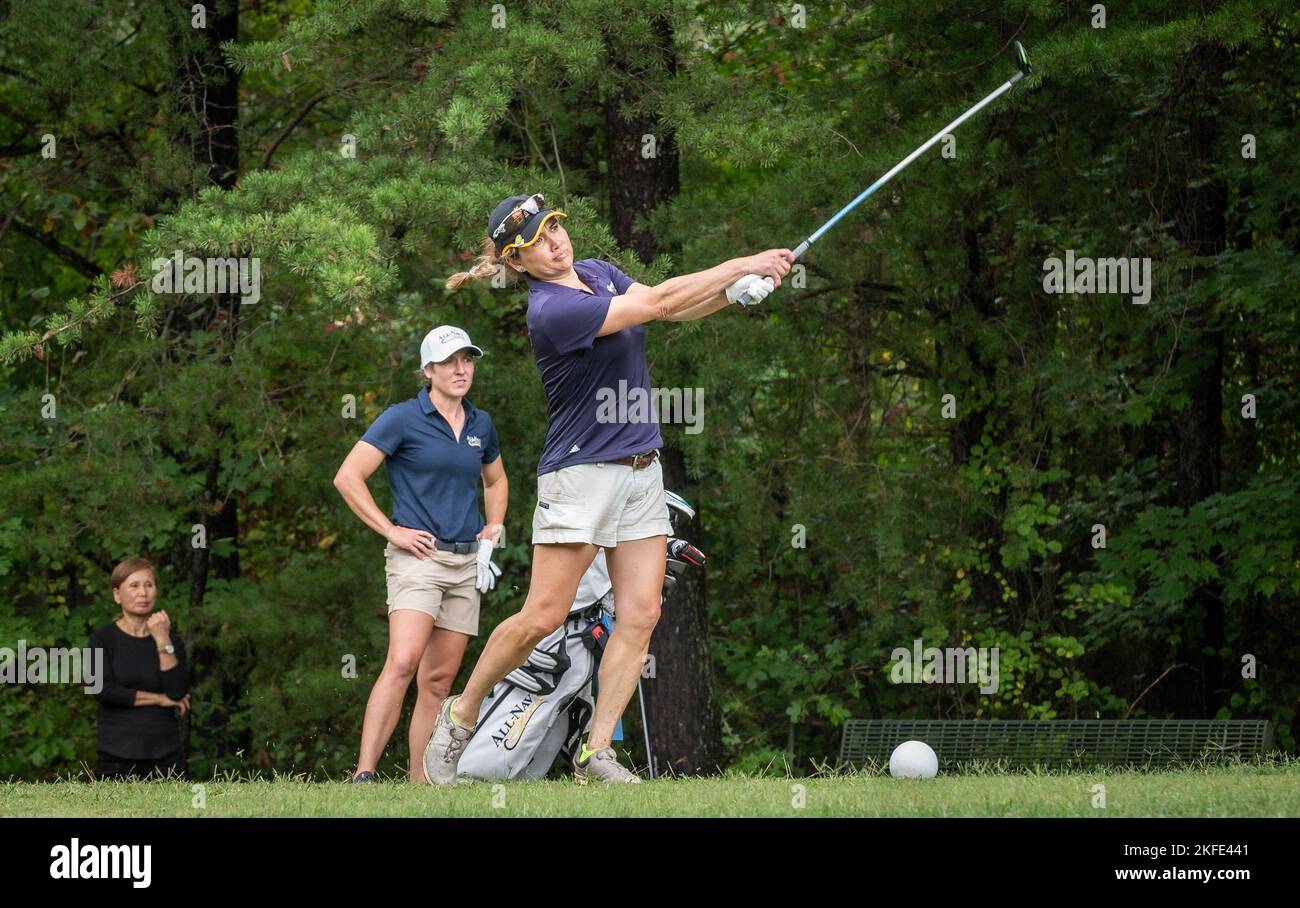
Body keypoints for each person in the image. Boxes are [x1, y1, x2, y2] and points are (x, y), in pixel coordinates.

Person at [428, 192, 791, 783]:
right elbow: (660, 298)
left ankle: (596, 754)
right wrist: (742, 263)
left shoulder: (596, 274)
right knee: (541, 617)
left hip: (642, 471)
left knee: (642, 613)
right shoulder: (550, 311)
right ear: (517, 263)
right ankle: (462, 713)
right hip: (581, 474)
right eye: (537, 242)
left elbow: (668, 310)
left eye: (553, 228)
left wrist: (731, 294)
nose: (554, 242)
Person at [334, 325, 507, 782]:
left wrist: (494, 526)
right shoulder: (402, 418)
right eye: (450, 362)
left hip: (467, 561)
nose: (460, 369)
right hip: (419, 560)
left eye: (467, 360)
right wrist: (392, 530)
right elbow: (348, 477)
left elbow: (496, 480)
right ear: (429, 369)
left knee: (438, 681)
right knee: (404, 660)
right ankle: (365, 774)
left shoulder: (480, 423)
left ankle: (420, 780)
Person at [89, 557, 190, 780]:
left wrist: (162, 639)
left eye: (149, 585)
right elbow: (102, 690)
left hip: (166, 755)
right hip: (116, 756)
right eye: (134, 585)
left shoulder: (172, 640)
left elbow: (177, 692)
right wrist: (159, 699)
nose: (143, 593)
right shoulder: (102, 638)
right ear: (117, 594)